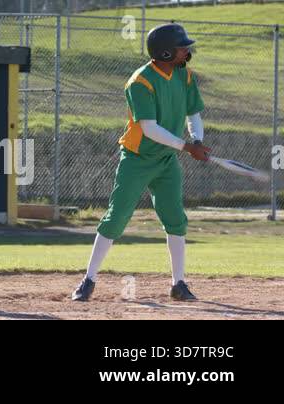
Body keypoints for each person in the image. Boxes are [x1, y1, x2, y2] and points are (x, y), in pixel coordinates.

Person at [72, 23, 211, 302]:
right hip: (137, 158)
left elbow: (193, 112)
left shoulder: (184, 76)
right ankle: (88, 281)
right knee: (116, 218)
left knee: (175, 220)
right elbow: (149, 128)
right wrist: (186, 146)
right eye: (182, 47)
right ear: (166, 52)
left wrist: (196, 139)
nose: (187, 51)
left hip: (166, 160)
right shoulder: (140, 81)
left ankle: (178, 283)